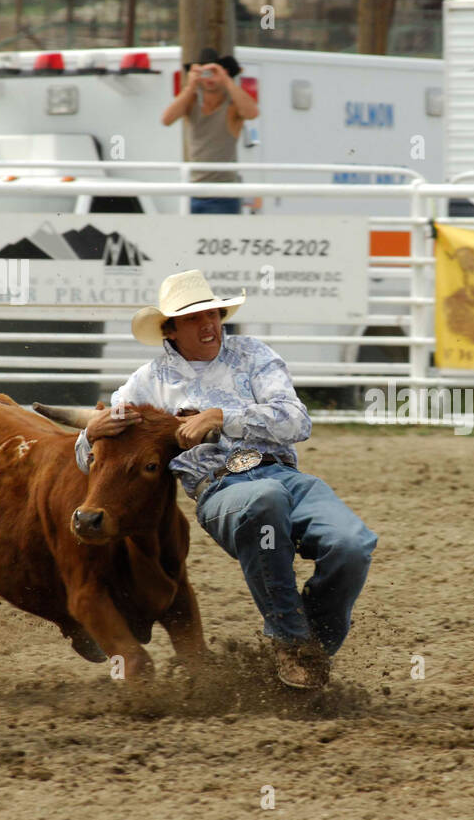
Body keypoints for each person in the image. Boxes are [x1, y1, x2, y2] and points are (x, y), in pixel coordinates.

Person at [74, 270, 377, 689]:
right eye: (195, 317)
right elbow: (91, 456)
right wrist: (91, 433)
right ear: (171, 330)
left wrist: (224, 418)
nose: (210, 324)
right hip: (221, 488)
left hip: (283, 473)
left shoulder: (253, 354)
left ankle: (312, 654)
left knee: (353, 544)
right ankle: (290, 642)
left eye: (214, 313)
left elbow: (297, 421)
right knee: (264, 500)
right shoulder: (146, 383)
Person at [161, 48, 259, 215]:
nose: (210, 78)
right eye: (205, 73)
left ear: (225, 72)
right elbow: (166, 119)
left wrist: (226, 80)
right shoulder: (191, 102)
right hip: (193, 191)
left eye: (214, 72)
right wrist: (190, 85)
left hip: (224, 194)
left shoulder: (232, 106)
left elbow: (252, 113)